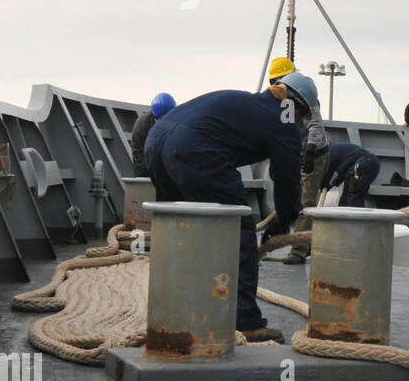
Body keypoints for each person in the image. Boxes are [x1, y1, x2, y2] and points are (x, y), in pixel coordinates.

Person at [144, 72, 313, 342]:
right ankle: (246, 321)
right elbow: (287, 178)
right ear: (296, 105)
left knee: (180, 230)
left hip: (156, 141)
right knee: (239, 229)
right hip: (191, 148)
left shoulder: (246, 103)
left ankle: (174, 309)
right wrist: (284, 219)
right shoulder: (283, 121)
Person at [265, 57, 331, 266]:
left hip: (314, 154)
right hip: (293, 154)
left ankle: (299, 250)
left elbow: (316, 126)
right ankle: (277, 238)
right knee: (285, 196)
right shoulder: (280, 100)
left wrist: (310, 152)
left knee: (305, 202)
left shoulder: (304, 96)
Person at [321, 141, 381, 208]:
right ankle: (342, 217)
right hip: (365, 165)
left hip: (362, 164)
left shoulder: (330, 151)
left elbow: (328, 172)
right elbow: (341, 175)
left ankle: (352, 217)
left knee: (354, 196)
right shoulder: (337, 148)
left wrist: (322, 186)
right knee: (346, 197)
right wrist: (329, 185)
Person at [130, 93, 176, 178]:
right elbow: (138, 153)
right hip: (147, 163)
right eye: (159, 119)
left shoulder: (177, 122)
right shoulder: (142, 124)